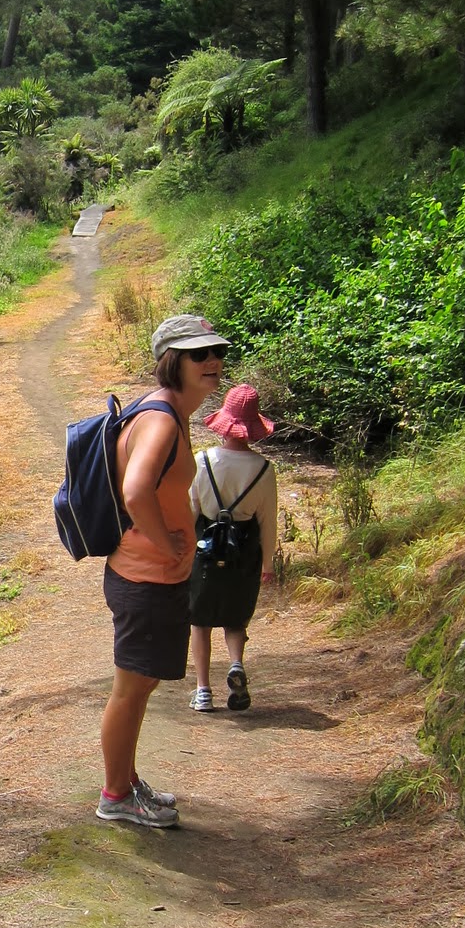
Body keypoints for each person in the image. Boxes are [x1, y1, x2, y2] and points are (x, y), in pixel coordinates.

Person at [97, 314, 229, 829]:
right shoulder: (161, 420)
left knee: (141, 687)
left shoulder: (168, 412)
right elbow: (135, 491)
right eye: (199, 354)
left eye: (216, 351)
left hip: (149, 578)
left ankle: (126, 781)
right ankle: (115, 795)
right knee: (130, 691)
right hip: (145, 579)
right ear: (173, 361)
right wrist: (166, 541)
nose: (212, 361)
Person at [188, 384, 278, 713]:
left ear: (224, 422)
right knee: (236, 618)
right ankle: (236, 663)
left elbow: (190, 511)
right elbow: (268, 522)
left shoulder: (203, 461)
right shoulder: (264, 470)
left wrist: (179, 552)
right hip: (244, 551)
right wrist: (267, 564)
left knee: (199, 620)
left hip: (205, 551)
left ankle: (203, 690)